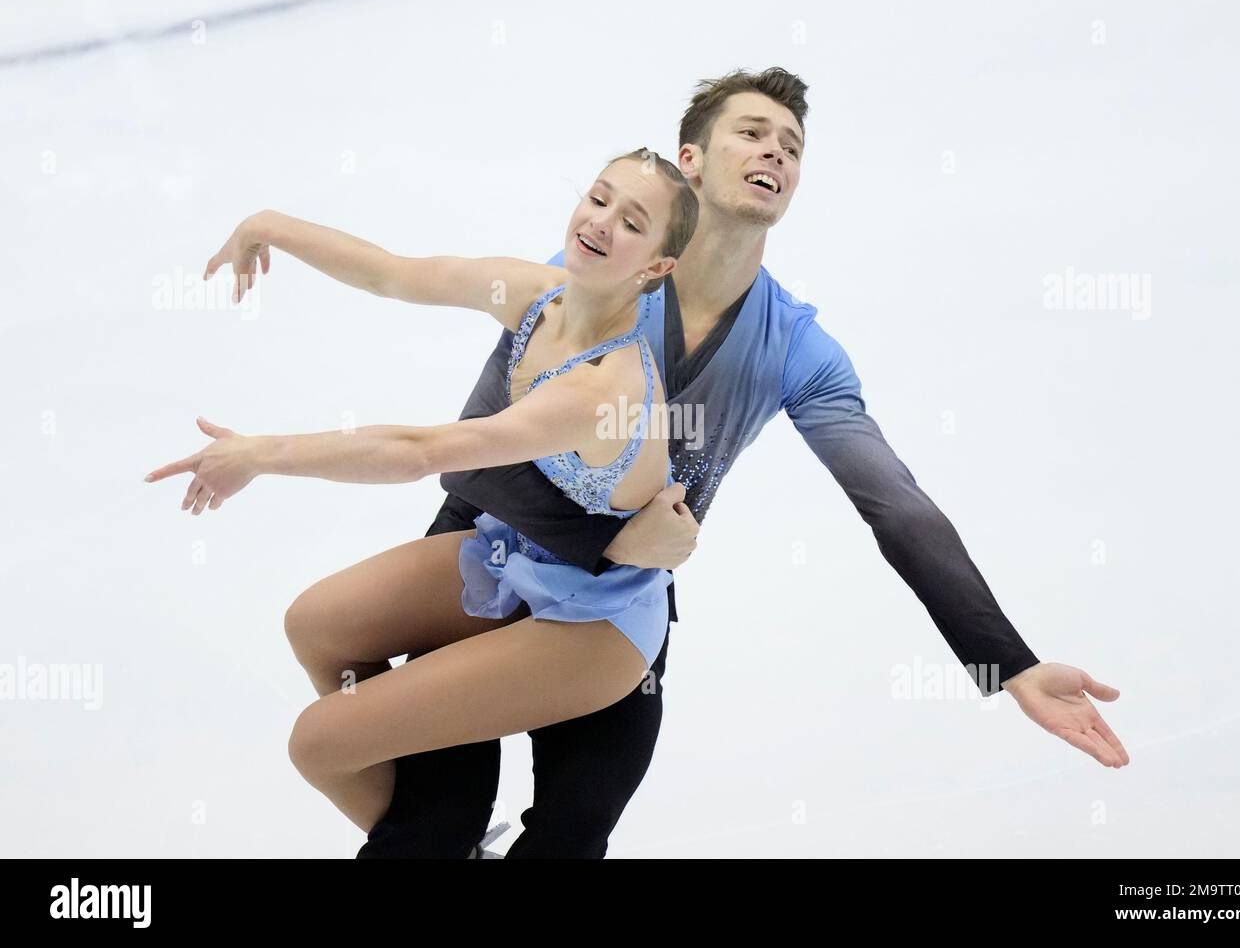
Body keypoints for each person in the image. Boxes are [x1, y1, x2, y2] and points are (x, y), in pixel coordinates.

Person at [191, 67, 1129, 859]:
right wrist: (275, 225)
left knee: (571, 830)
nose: (775, 153)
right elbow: (402, 279)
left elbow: (898, 506)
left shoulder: (797, 351)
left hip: (613, 596)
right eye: (751, 132)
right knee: (414, 812)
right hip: (480, 553)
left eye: (792, 146)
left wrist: (1006, 663)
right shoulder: (596, 275)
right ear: (692, 160)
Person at [143, 148, 701, 834]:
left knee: (318, 743)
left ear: (656, 267)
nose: (602, 221)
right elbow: (392, 274)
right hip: (519, 555)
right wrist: (270, 224)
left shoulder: (603, 388)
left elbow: (421, 451)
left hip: (593, 619)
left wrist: (261, 455)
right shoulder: (538, 296)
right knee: (315, 626)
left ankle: (430, 840)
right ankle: (439, 834)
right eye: (599, 197)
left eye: (633, 222)